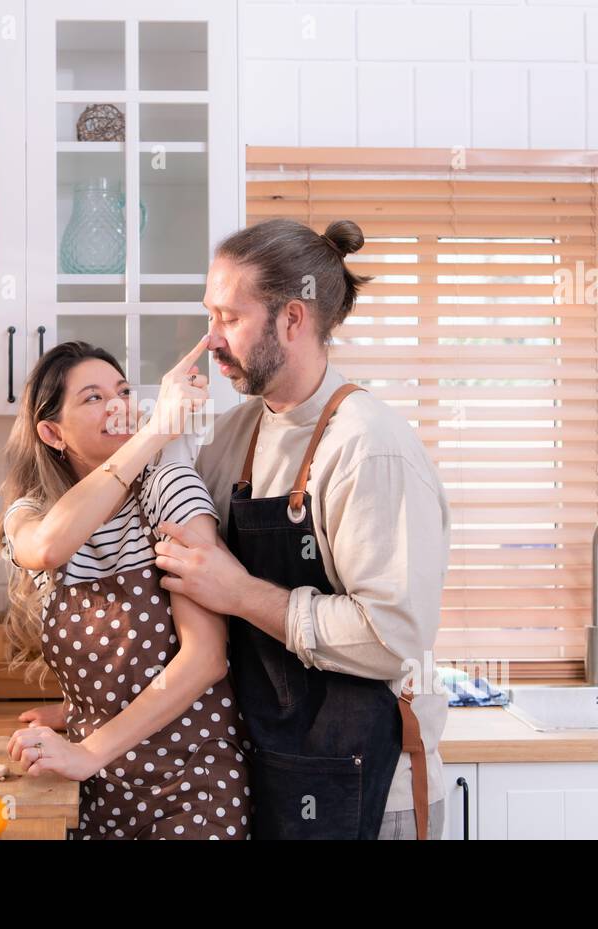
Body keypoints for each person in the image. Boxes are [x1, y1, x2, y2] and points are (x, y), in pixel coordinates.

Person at [151, 218, 452, 840]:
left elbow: (392, 637)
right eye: (211, 316)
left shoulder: (369, 448)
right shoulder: (236, 436)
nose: (211, 340)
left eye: (229, 318)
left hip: (368, 783)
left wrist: (238, 592)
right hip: (268, 768)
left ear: (293, 319)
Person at [0, 339, 251, 839]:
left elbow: (205, 660)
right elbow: (47, 547)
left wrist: (88, 748)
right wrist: (82, 709)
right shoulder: (32, 514)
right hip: (100, 793)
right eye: (92, 398)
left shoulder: (168, 488)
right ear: (51, 432)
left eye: (124, 390)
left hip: (192, 788)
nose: (118, 405)